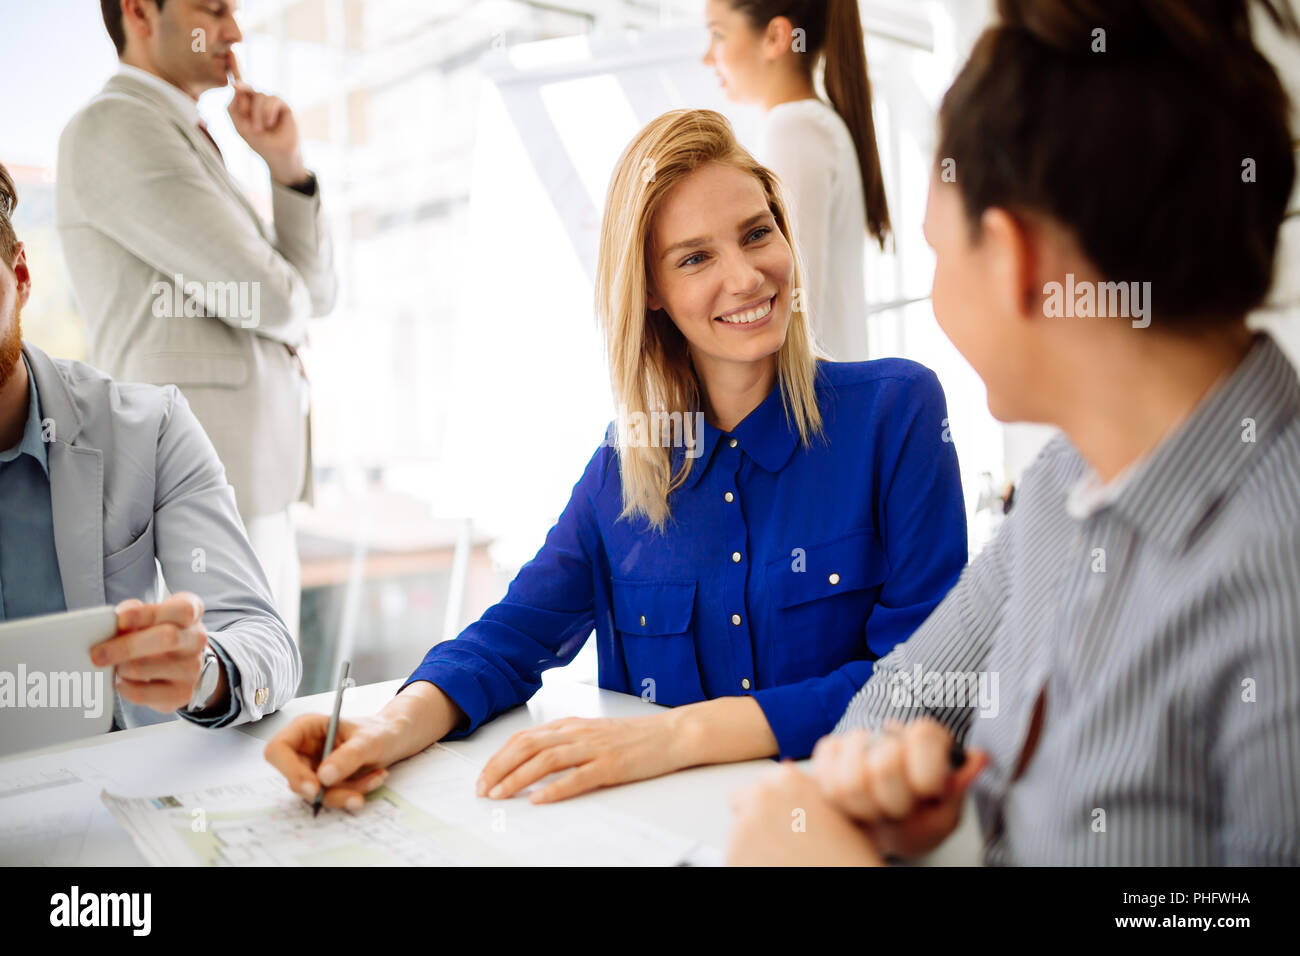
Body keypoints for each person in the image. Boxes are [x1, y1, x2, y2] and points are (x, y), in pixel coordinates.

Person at [727, 0, 1300, 866]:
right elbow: (889, 708)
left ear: (1014, 257)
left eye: (937, 249)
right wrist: (888, 793)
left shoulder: (1277, 589)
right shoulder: (1066, 484)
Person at [264, 109, 966, 810]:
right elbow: (510, 638)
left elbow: (925, 682)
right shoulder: (622, 470)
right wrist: (384, 728)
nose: (748, 276)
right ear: (652, 293)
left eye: (758, 234)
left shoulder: (896, 413)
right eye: (696, 257)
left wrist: (679, 736)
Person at [56, 0, 339, 642]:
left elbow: (313, 294)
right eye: (212, 9)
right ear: (138, 11)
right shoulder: (118, 127)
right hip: (197, 493)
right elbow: (274, 298)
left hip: (249, 486)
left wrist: (286, 168)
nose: (235, 32)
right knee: (225, 713)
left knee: (261, 700)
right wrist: (284, 296)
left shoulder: (188, 134)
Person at [0, 161, 299, 732]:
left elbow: (270, 648)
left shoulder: (149, 427)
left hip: (117, 793)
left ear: (20, 279)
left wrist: (205, 673)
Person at [703, 0, 889, 360]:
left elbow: (796, 312)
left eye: (718, 34)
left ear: (775, 37)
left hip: (813, 402)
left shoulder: (793, 128)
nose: (708, 58)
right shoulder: (812, 123)